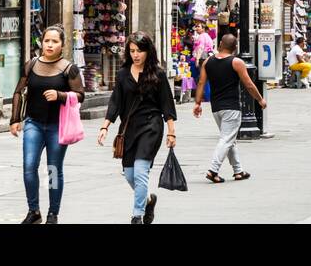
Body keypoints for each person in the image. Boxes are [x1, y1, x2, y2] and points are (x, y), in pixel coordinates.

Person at [98, 32, 177, 224]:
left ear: (148, 51)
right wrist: (105, 127)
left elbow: (167, 104)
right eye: (132, 51)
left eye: (140, 50)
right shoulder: (123, 74)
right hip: (129, 127)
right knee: (130, 174)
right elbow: (115, 102)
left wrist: (171, 131)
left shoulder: (157, 74)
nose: (136, 55)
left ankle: (137, 215)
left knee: (141, 171)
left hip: (151, 126)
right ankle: (149, 200)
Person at [10, 25, 85, 225]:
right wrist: (15, 119)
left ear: (62, 45)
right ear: (41, 42)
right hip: (33, 123)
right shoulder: (31, 64)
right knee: (29, 167)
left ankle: (53, 214)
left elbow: (80, 95)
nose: (50, 45)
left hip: (57, 126)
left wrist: (60, 95)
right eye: (47, 41)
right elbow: (18, 91)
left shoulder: (69, 69)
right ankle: (34, 211)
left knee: (53, 168)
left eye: (55, 41)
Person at [194, 33, 265, 183]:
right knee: (226, 139)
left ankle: (238, 171)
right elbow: (249, 84)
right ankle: (213, 170)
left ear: (220, 44)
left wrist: (197, 103)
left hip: (216, 108)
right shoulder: (236, 62)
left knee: (229, 139)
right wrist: (260, 99)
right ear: (235, 48)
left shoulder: (208, 61)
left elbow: (201, 83)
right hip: (231, 107)